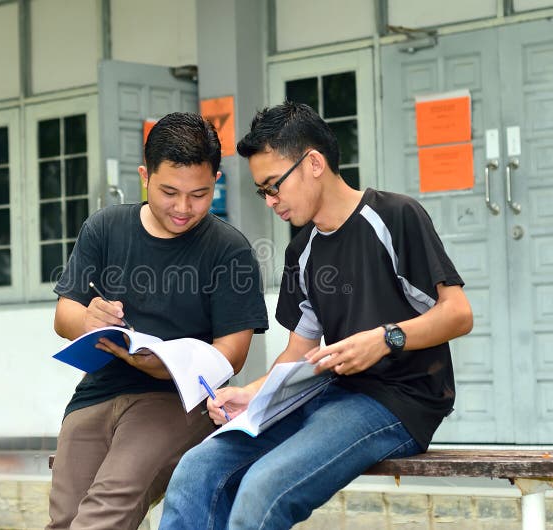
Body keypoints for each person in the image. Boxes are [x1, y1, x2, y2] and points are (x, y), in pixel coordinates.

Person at [158, 101, 474, 530]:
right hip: (326, 396)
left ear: (313, 163)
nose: (270, 201)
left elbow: (458, 313)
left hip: (400, 402)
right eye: (262, 191)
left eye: (274, 186)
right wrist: (254, 393)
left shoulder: (395, 216)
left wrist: (385, 338)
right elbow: (300, 349)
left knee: (261, 488)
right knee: (196, 470)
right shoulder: (302, 250)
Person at [46, 112, 269, 530]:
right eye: (169, 191)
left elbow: (233, 354)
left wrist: (165, 363)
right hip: (97, 393)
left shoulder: (228, 250)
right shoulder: (105, 228)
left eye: (199, 194)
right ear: (144, 176)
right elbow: (64, 315)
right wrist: (89, 319)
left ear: (216, 180)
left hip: (177, 401)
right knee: (67, 519)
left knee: (106, 508)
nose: (184, 208)